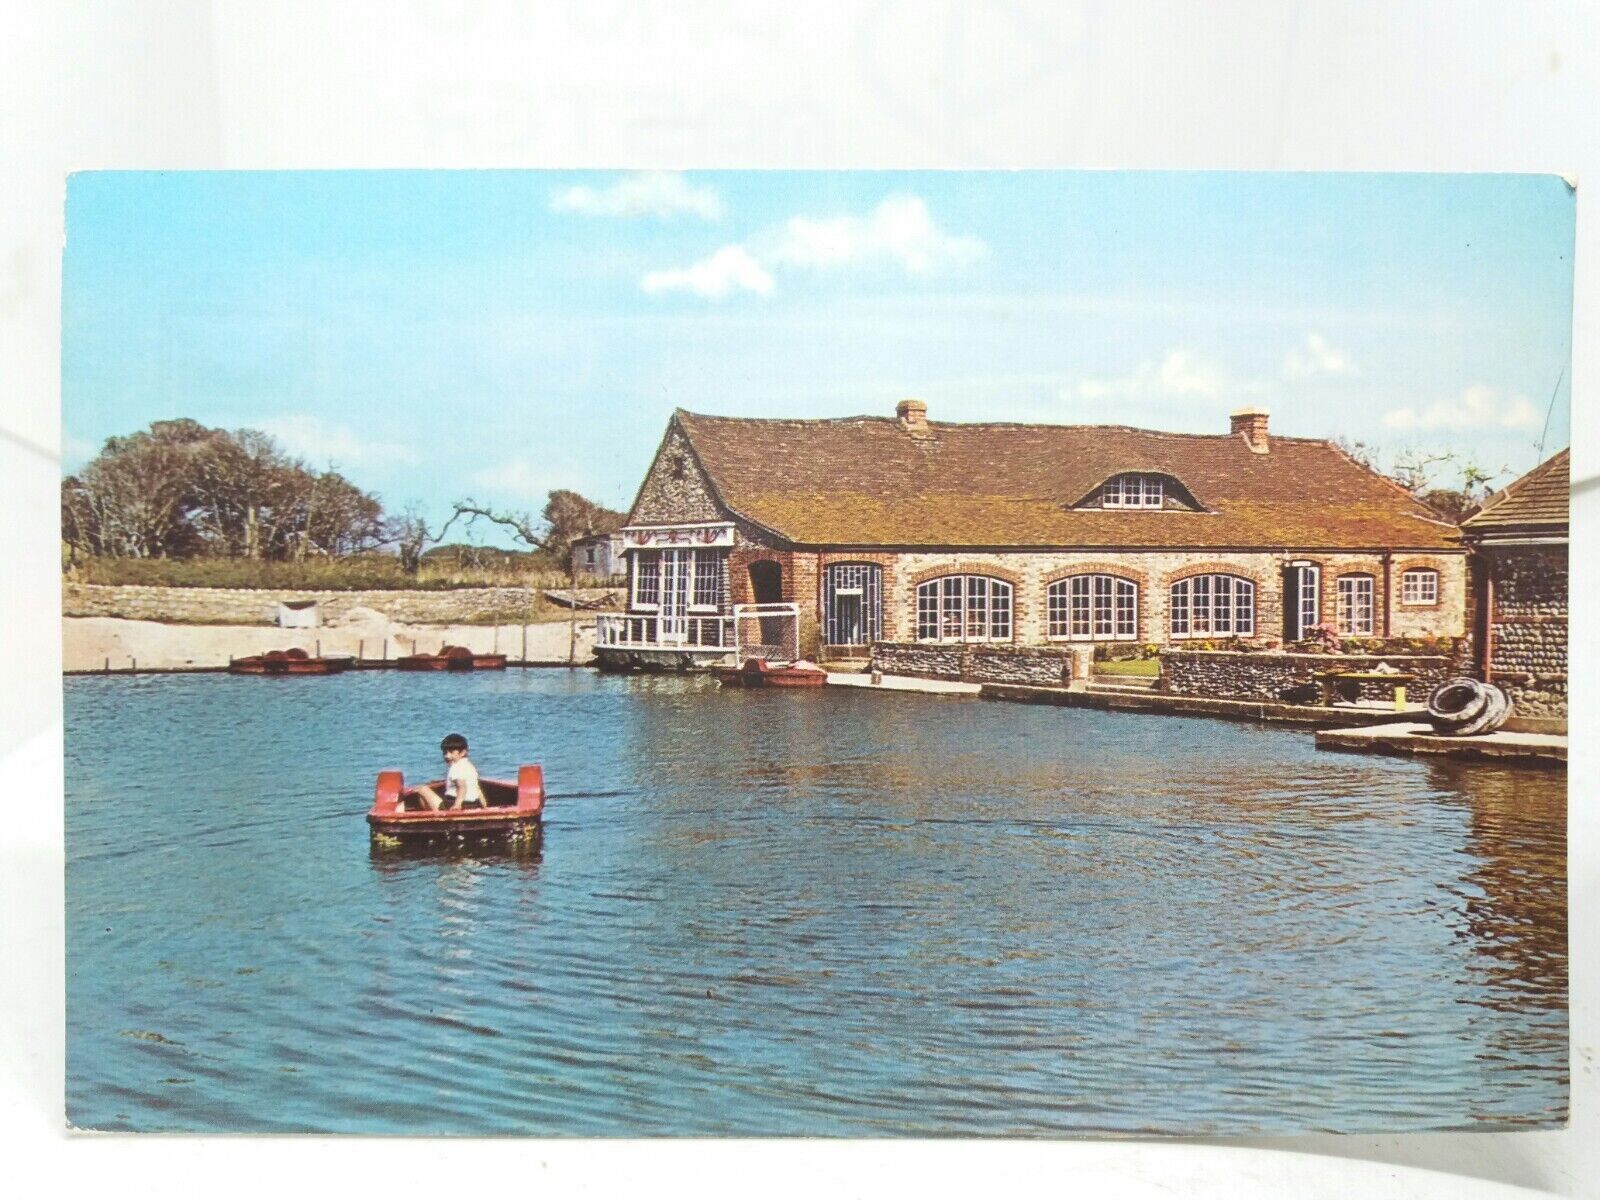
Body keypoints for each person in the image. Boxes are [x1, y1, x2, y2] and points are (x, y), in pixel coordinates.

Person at [409, 733, 485, 811]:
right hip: (473, 804)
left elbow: (462, 787)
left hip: (455, 805)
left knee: (422, 789)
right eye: (445, 752)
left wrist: (457, 805)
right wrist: (483, 806)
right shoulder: (470, 766)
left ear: (462, 752)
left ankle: (431, 815)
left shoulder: (456, 767)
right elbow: (476, 788)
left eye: (451, 752)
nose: (447, 756)